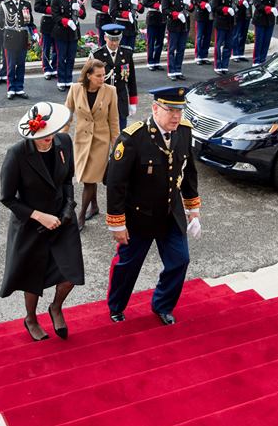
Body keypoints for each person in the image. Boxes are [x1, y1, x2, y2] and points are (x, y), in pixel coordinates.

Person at [105, 86, 202, 325]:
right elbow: (115, 183)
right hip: (140, 215)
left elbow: (188, 172)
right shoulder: (132, 138)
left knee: (180, 260)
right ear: (155, 108)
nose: (176, 117)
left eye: (180, 111)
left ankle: (162, 305)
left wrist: (193, 210)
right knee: (128, 265)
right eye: (170, 110)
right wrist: (117, 224)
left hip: (171, 212)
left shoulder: (184, 132)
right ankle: (116, 306)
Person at [0, 102, 83, 341]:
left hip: (61, 220)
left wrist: (68, 209)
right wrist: (39, 215)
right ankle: (31, 318)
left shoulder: (64, 143)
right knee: (32, 278)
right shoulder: (16, 154)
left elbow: (68, 180)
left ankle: (56, 307)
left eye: (52, 133)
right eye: (44, 136)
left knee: (71, 273)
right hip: (31, 224)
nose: (50, 139)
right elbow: (7, 198)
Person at [64, 58, 120, 230]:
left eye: (104, 75)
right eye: (98, 76)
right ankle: (94, 206)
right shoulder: (75, 89)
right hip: (81, 141)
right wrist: (60, 138)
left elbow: (114, 121)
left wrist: (117, 147)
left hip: (100, 143)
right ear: (88, 75)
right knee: (89, 178)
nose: (102, 79)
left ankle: (80, 215)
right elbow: (67, 114)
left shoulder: (110, 91)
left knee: (89, 180)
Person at [92, 23, 138, 130]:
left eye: (117, 39)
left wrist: (133, 101)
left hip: (120, 98)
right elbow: (91, 82)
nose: (114, 43)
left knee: (121, 132)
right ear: (105, 37)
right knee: (103, 133)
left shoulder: (126, 53)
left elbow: (131, 79)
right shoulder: (97, 55)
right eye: (111, 39)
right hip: (103, 98)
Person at [51, 0, 83, 91]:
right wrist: (67, 21)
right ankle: (61, 80)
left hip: (73, 32)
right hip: (61, 32)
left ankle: (68, 79)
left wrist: (79, 9)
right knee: (61, 56)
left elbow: (83, 15)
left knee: (71, 57)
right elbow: (55, 16)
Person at [161, 0, 193, 80]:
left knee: (181, 48)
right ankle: (171, 70)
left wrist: (189, 5)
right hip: (174, 24)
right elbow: (164, 9)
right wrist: (176, 14)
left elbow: (192, 9)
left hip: (184, 25)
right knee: (172, 48)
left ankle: (178, 69)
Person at [34, 0, 59, 80]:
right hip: (47, 21)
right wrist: (48, 10)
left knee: (56, 47)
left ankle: (54, 67)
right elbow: (37, 7)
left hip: (57, 22)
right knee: (46, 46)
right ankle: (46, 68)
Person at [211, 0, 236, 75]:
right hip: (221, 21)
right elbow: (214, 7)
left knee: (229, 44)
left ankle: (225, 65)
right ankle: (218, 65)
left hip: (230, 21)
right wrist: (225, 9)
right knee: (219, 44)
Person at [142, 0, 167, 71]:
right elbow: (145, 2)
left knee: (160, 41)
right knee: (151, 40)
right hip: (152, 15)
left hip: (162, 17)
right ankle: (150, 62)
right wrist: (157, 5)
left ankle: (156, 61)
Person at [191, 0, 216, 65]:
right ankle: (198, 56)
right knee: (200, 35)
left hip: (210, 14)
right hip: (201, 13)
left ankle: (204, 55)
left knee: (208, 35)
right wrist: (202, 4)